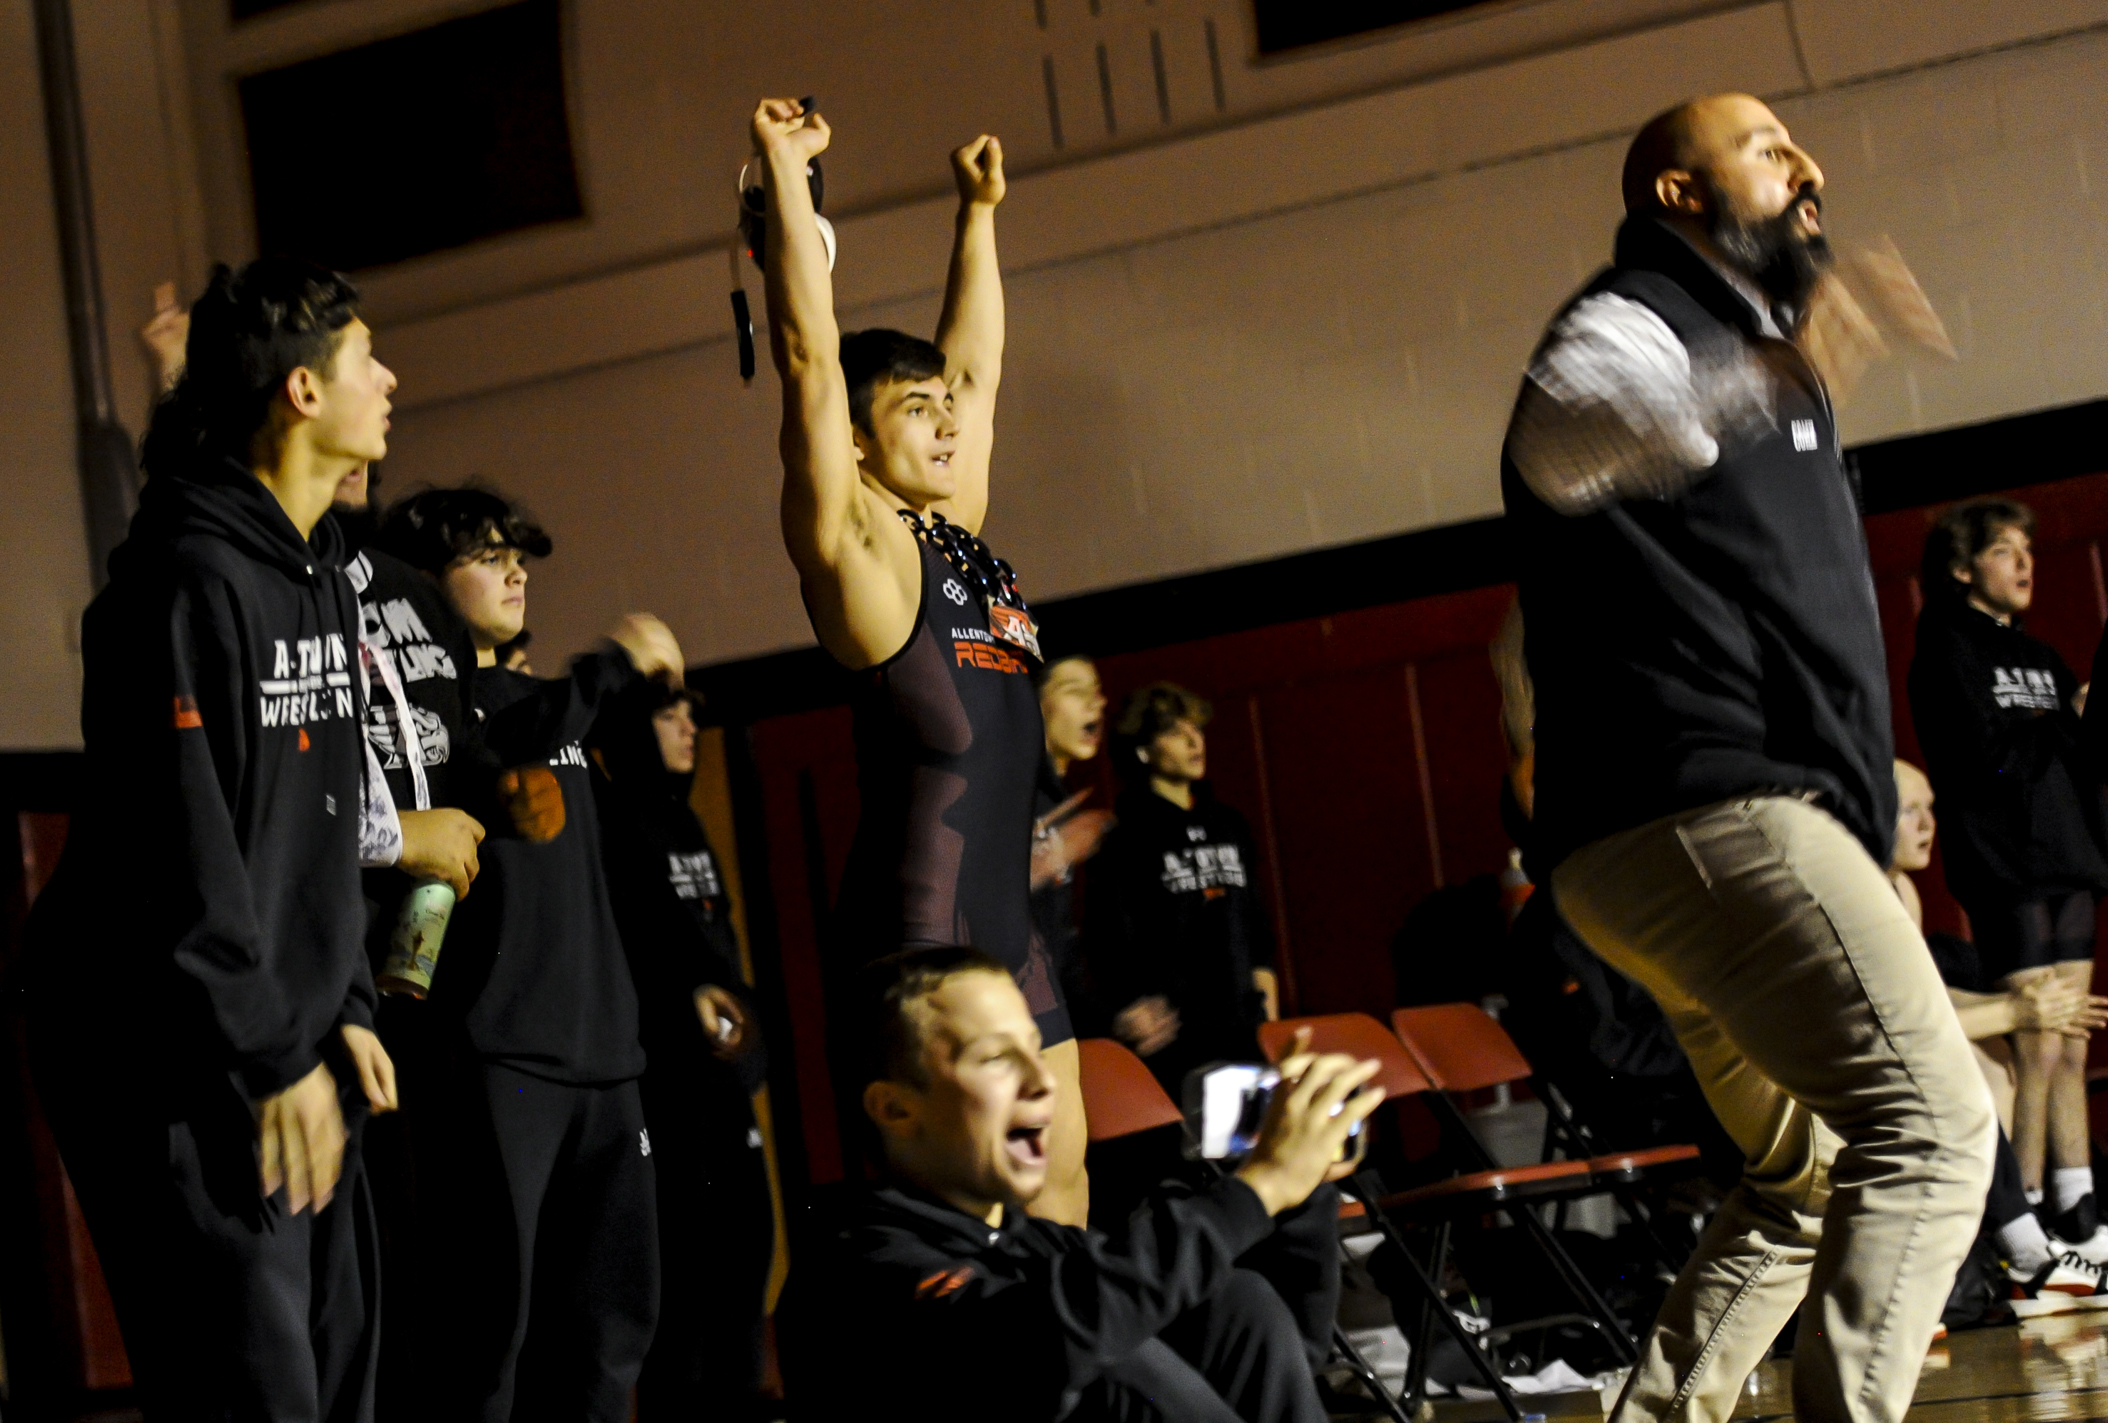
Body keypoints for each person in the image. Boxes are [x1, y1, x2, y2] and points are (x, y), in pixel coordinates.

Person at [1503, 94, 1996, 1423]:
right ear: (1678, 191)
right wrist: (1777, 370)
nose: (1810, 164)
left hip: (1683, 836)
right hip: (1701, 812)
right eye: (1770, 147)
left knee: (1810, 1174)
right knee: (1943, 1129)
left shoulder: (1767, 358)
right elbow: (1562, 443)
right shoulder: (1637, 313)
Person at [22, 257, 403, 1420]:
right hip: (163, 1051)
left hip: (276, 1030)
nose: (388, 378)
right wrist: (272, 1057)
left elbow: (316, 824)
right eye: (363, 358)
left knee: (341, 1371)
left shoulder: (323, 572)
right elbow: (183, 853)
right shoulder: (181, 583)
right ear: (299, 390)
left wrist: (341, 1003)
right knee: (252, 1384)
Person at [752, 96, 1088, 1224]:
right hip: (918, 942)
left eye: (945, 407)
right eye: (914, 409)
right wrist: (787, 179)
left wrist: (977, 215)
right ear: (853, 439)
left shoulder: (964, 536)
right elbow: (805, 352)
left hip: (1011, 930)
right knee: (961, 1221)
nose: (948, 422)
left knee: (1066, 1188)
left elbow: (980, 373)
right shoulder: (865, 552)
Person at [375, 486, 685, 1422]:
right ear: (423, 588)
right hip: (502, 1062)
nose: (514, 569)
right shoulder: (438, 712)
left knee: (610, 1325)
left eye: (518, 552)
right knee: (489, 1330)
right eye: (483, 554)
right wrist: (613, 665)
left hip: (607, 1063)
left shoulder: (557, 709)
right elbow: (499, 743)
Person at [778, 946, 1382, 1422]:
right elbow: (1038, 1346)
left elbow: (1291, 1358)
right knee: (1111, 1358)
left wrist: (1302, 1193)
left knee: (1236, 1301)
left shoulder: (1031, 1245)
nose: (1042, 1081)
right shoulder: (858, 1266)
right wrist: (1257, 1188)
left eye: (1034, 1050)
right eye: (994, 1058)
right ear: (893, 1109)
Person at [1908, 499, 2108, 1244]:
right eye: (2003, 550)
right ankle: (2023, 1228)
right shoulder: (1947, 648)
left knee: (2074, 1037)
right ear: (1962, 568)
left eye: (2028, 547)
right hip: (2007, 858)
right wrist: (2062, 719)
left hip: (2068, 850)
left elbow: (2075, 755)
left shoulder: (2041, 654)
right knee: (2038, 1036)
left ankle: (2079, 1212)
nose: (2024, 562)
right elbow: (1984, 757)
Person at [591, 684, 776, 1421]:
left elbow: (716, 949)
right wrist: (685, 1006)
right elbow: (636, 954)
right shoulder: (617, 823)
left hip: (723, 1082)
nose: (690, 725)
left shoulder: (685, 819)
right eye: (670, 713)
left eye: (693, 710)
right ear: (633, 726)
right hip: (667, 1092)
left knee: (747, 1259)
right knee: (687, 1290)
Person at [1888, 759, 2108, 1292]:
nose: (1927, 825)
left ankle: (2019, 1232)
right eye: (1909, 811)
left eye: (1931, 809)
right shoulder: (1867, 897)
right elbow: (1898, 1023)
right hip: (1843, 1064)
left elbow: (1928, 997)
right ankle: (2019, 1242)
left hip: (1893, 1041)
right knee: (1968, 1075)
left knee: (1997, 1060)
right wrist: (2016, 1012)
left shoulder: (1902, 889)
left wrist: (2017, 999)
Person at [1088, 684, 1280, 1095]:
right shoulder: (1124, 838)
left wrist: (1270, 1024)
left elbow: (1256, 931)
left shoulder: (1230, 823)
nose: (1196, 741)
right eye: (1176, 732)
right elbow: (1110, 943)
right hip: (1178, 1041)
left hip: (1246, 1027)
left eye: (1197, 729)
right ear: (1143, 749)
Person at [1032, 655, 1113, 1030]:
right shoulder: (1005, 789)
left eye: (1095, 694)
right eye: (1074, 691)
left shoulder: (1058, 801)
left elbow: (1058, 940)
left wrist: (1111, 1024)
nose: (1096, 703)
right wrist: (1044, 862)